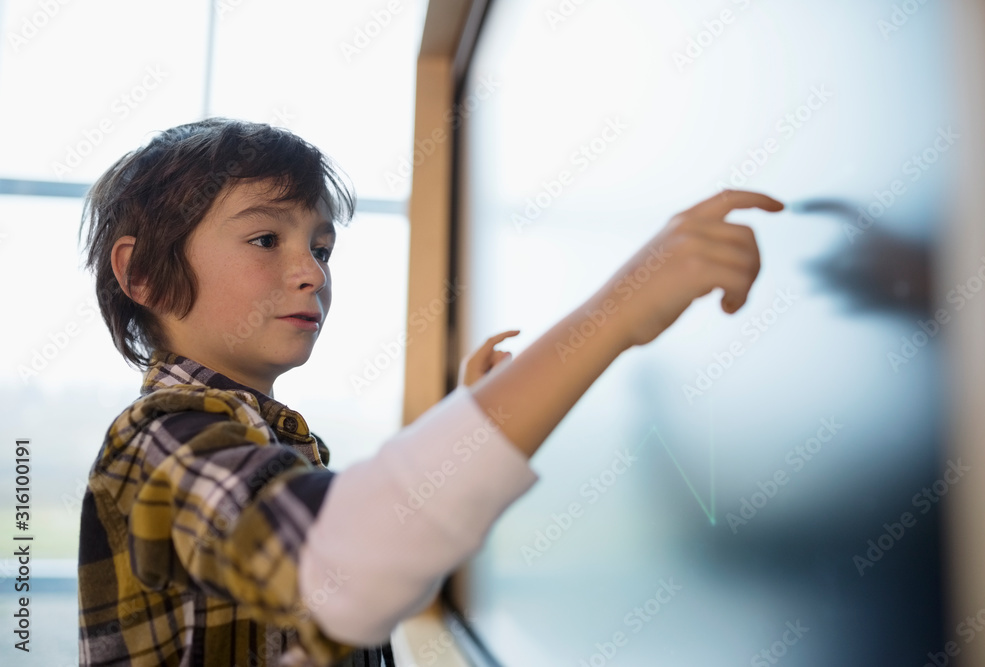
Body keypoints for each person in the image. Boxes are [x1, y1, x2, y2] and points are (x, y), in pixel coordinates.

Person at [76, 117, 783, 666]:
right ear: (142, 274)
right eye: (266, 239)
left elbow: (362, 552)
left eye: (321, 248)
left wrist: (467, 426)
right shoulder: (160, 439)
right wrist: (614, 314)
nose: (313, 272)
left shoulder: (261, 435)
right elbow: (346, 565)